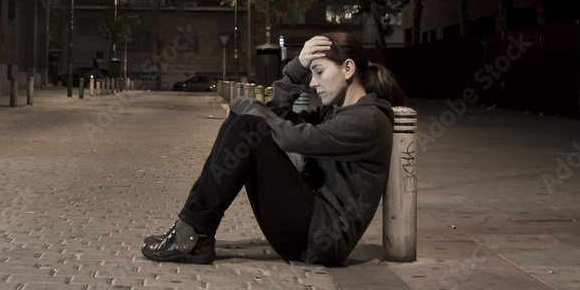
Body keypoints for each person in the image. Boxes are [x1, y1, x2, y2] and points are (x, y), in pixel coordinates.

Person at [141, 32, 403, 265]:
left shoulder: (368, 121)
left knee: (246, 127)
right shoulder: (335, 113)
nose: (312, 83)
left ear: (348, 68)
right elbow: (275, 116)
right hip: (310, 223)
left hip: (322, 238)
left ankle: (192, 234)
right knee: (246, 126)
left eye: (319, 72)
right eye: (311, 75)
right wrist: (296, 70)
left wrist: (245, 106)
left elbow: (291, 138)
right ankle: (192, 230)